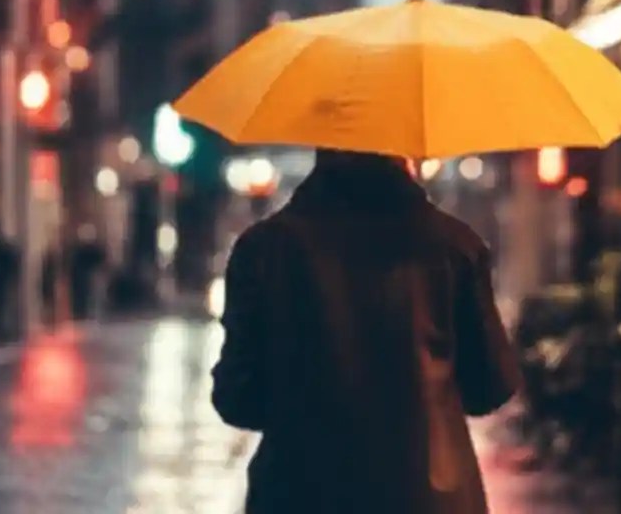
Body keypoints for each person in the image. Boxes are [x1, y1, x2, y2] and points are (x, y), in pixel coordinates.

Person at [212, 149, 522, 514]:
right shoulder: (456, 247)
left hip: (297, 494)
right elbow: (491, 388)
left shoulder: (263, 249)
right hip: (430, 500)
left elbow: (238, 400)